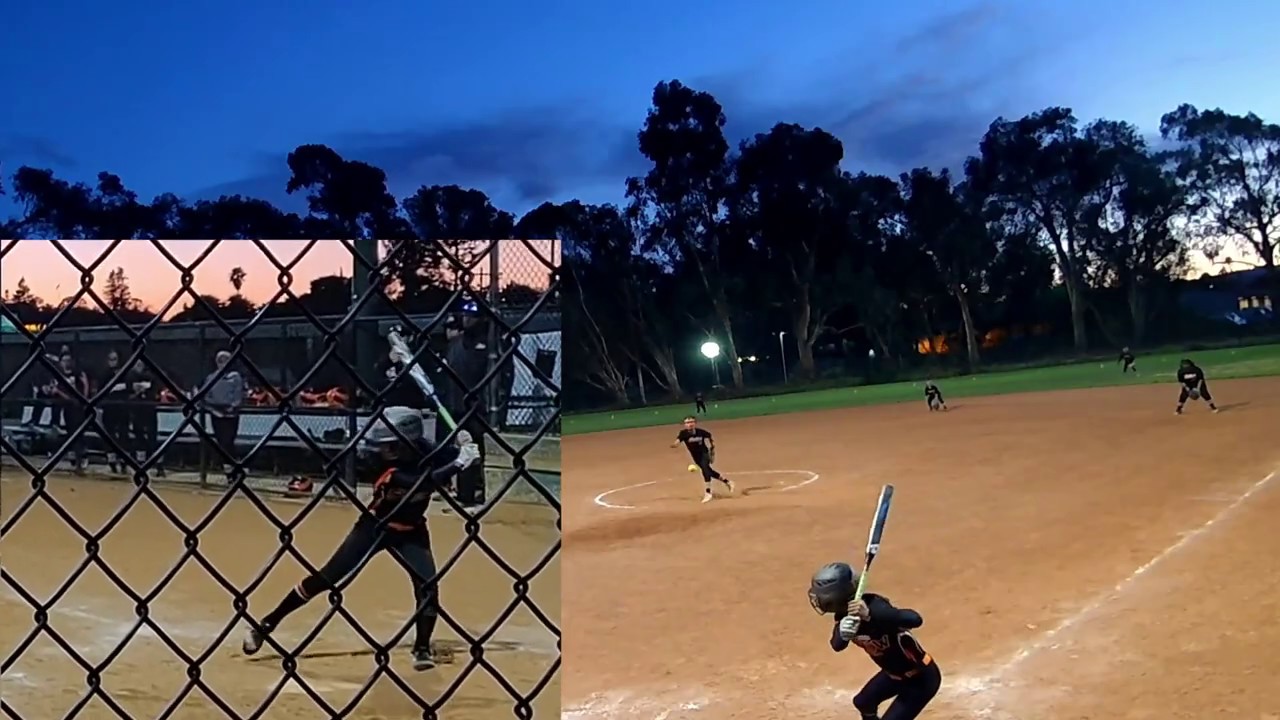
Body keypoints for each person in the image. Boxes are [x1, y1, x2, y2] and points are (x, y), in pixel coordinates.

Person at [241, 406, 481, 671]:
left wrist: (465, 446)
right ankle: (265, 625)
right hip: (374, 528)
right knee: (328, 577)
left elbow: (450, 456)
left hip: (412, 529)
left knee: (428, 586)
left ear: (408, 442)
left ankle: (422, 648)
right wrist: (460, 462)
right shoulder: (384, 469)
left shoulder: (426, 449)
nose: (383, 450)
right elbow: (422, 483)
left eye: (390, 444)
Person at [808, 562, 941, 720]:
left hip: (920, 679)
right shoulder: (845, 615)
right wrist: (842, 633)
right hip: (894, 676)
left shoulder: (875, 606)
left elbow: (915, 619)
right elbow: (837, 645)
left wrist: (870, 615)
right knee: (863, 702)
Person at [435, 313, 489, 512]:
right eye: (465, 315)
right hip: (456, 406)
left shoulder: (488, 342)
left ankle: (477, 494)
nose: (468, 319)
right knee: (463, 448)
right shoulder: (456, 344)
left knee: (477, 448)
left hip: (477, 407)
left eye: (473, 316)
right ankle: (465, 495)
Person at [200, 350, 246, 480]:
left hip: (231, 415)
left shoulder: (235, 376)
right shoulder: (211, 377)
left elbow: (238, 395)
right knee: (222, 444)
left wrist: (232, 407)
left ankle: (233, 470)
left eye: (225, 360)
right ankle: (229, 472)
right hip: (216, 414)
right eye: (220, 360)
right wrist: (212, 407)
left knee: (228, 442)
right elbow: (204, 395)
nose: (222, 363)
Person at [671, 415, 733, 503]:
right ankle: (728, 482)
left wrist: (712, 450)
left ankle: (708, 492)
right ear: (685, 425)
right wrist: (674, 445)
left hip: (704, 454)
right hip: (696, 457)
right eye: (687, 423)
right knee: (709, 471)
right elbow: (677, 441)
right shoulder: (683, 434)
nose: (690, 424)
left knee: (705, 470)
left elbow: (710, 437)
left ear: (695, 423)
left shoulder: (700, 432)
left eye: (692, 422)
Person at [46, 352, 90, 473]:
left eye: (68, 360)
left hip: (78, 407)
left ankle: (81, 459)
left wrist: (84, 393)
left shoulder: (77, 374)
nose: (66, 363)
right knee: (71, 432)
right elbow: (54, 391)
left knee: (78, 433)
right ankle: (76, 460)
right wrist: (53, 391)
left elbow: (79, 395)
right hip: (66, 408)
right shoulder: (58, 376)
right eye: (64, 360)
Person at [97, 351, 132, 474]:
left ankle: (123, 462)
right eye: (111, 359)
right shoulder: (104, 375)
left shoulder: (124, 373)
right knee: (109, 435)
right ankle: (112, 462)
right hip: (109, 408)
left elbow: (129, 388)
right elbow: (101, 391)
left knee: (124, 434)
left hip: (122, 408)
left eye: (115, 359)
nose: (113, 362)